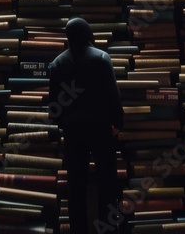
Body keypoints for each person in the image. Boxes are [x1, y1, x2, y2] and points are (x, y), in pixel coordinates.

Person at [48, 17, 124, 234]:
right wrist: (117, 123)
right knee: (107, 183)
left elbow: (54, 106)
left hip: (74, 132)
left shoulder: (57, 64)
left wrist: (64, 123)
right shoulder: (101, 58)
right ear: (89, 33)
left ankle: (78, 229)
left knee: (76, 187)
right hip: (102, 129)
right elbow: (113, 95)